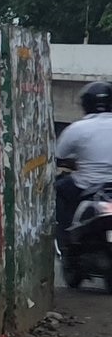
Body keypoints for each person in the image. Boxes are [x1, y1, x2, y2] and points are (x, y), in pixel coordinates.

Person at [56, 80, 112, 234]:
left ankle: (63, 237)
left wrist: (75, 164)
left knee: (57, 191)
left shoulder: (78, 128)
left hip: (86, 185)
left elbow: (58, 156)